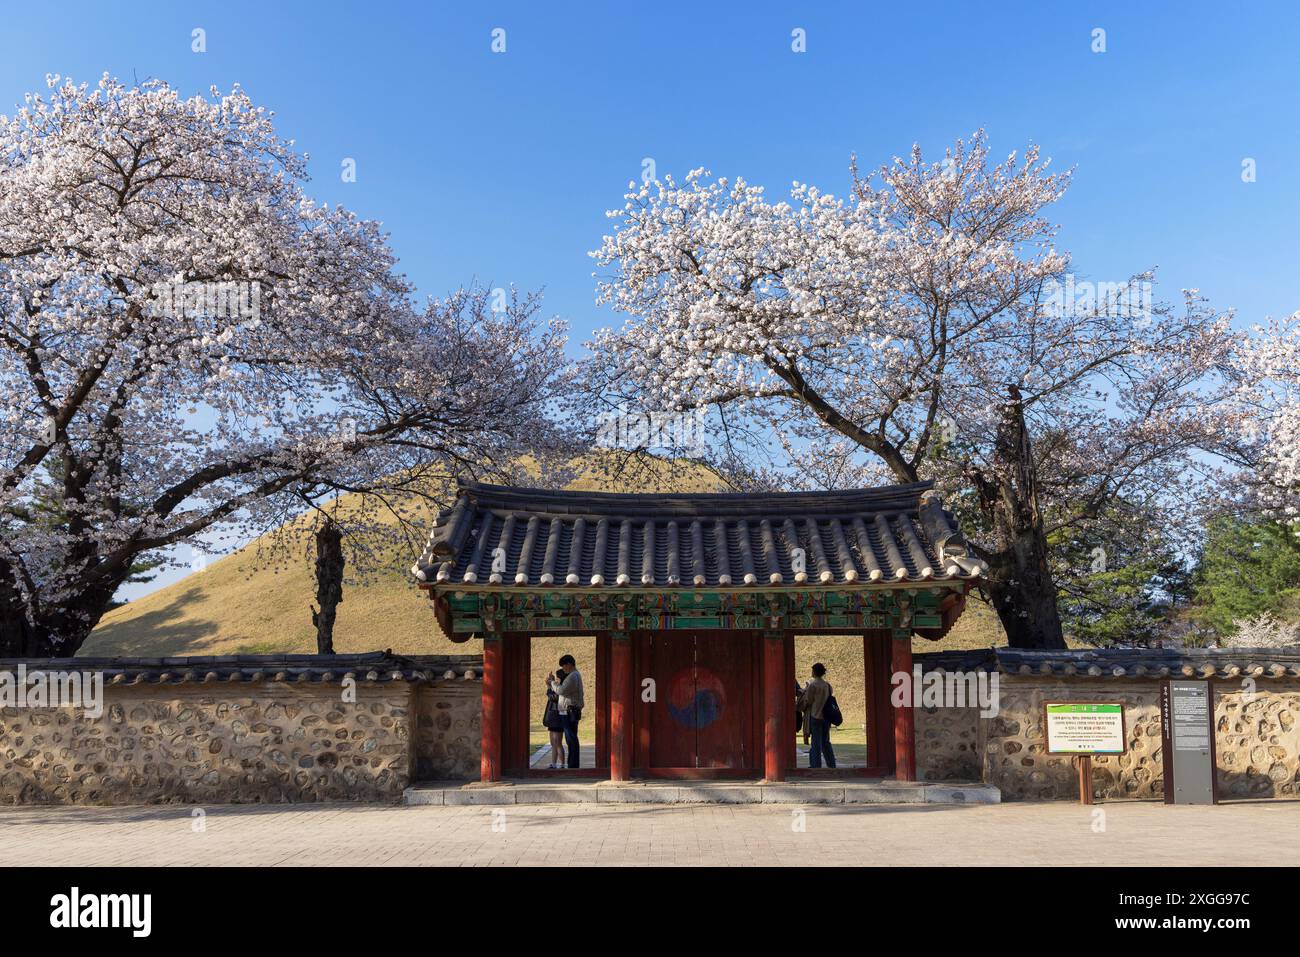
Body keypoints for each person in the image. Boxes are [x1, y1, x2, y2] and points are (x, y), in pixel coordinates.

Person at [799, 662, 836, 769]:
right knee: (826, 742)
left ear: (814, 672)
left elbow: (808, 701)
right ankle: (831, 764)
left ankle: (815, 765)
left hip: (815, 716)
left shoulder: (812, 685)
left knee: (815, 743)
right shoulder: (828, 686)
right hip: (826, 717)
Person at [550, 654, 584, 769]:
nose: (563, 669)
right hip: (570, 710)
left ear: (569, 664)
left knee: (571, 739)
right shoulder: (575, 675)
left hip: (569, 711)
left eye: (564, 666)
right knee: (571, 739)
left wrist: (552, 683)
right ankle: (573, 764)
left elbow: (561, 690)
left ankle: (573, 765)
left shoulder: (572, 676)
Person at [542, 669, 566, 769]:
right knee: (553, 743)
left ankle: (562, 764)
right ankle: (554, 763)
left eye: (557, 678)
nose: (555, 680)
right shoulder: (556, 687)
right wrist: (550, 684)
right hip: (552, 718)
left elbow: (554, 698)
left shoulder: (562, 688)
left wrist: (549, 687)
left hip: (558, 718)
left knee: (558, 743)